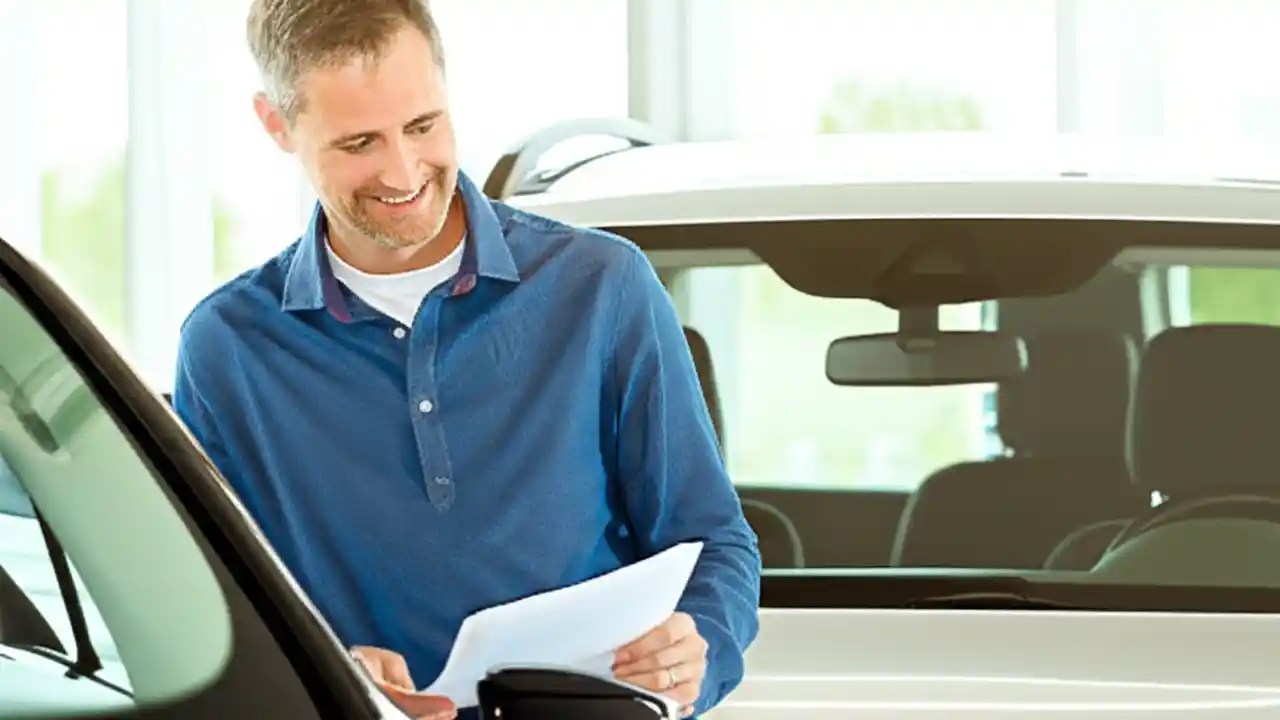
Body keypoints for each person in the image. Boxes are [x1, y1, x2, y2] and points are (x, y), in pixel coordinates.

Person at [171, 1, 761, 718]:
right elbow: (216, 615)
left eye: (423, 125)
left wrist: (697, 645)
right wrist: (330, 670)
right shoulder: (227, 348)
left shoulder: (600, 288)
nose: (403, 170)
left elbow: (712, 541)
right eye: (359, 142)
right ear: (278, 125)